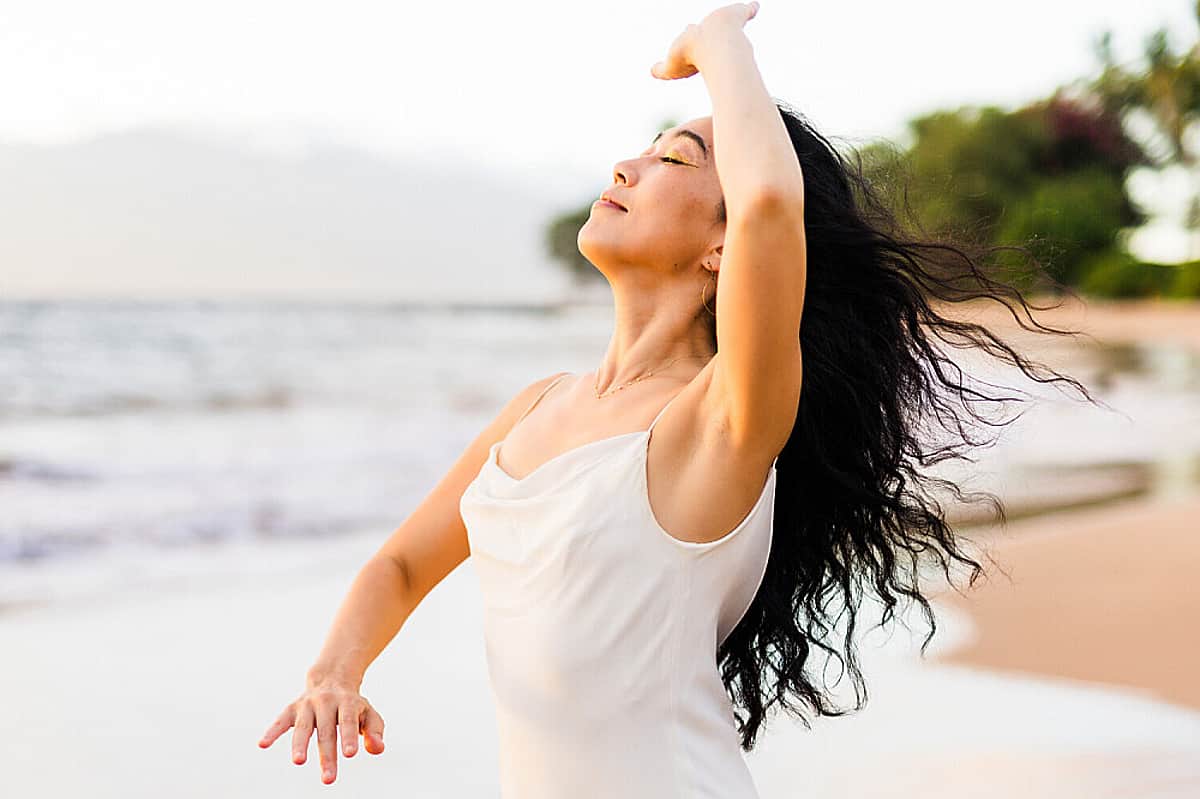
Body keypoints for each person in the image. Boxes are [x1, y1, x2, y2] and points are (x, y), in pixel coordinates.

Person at [259, 2, 1100, 795]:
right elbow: (400, 566)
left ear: (724, 246)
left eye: (673, 159)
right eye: (645, 148)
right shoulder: (536, 408)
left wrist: (719, 38)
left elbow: (770, 201)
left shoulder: (722, 420)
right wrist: (335, 673)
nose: (625, 166)